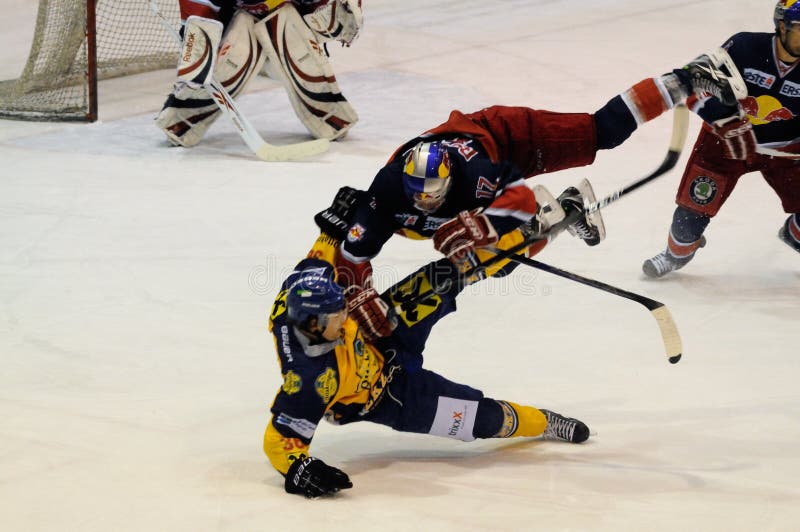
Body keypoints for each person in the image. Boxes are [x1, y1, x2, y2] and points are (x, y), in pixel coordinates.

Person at [333, 52, 746, 340]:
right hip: (476, 180)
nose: (425, 204)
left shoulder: (473, 171)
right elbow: (352, 257)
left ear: (449, 179)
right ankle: (568, 208)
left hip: (506, 136)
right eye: (418, 198)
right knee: (496, 265)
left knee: (604, 132)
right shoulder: (386, 190)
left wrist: (481, 222)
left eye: (434, 197)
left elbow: (520, 198)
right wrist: (356, 292)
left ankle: (684, 78)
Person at [263, 222, 591, 498]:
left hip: (381, 332)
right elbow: (279, 442)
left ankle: (537, 228)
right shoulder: (310, 383)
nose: (345, 315)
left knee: (450, 272)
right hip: (391, 397)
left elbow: (323, 254)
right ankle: (544, 422)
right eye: (337, 316)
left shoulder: (301, 290)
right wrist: (298, 470)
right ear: (313, 324)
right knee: (482, 419)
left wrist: (336, 225)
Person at [642, 0, 800, 278]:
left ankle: (793, 234)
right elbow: (690, 83)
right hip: (724, 145)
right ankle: (676, 253)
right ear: (781, 26)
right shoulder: (744, 48)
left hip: (786, 150)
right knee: (688, 221)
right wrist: (724, 120)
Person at [155, 0, 362, 147]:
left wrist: (337, 14)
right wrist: (197, 48)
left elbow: (332, 23)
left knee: (287, 23)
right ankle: (183, 119)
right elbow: (199, 22)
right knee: (240, 32)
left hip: (287, 42)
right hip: (239, 42)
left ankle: (327, 116)